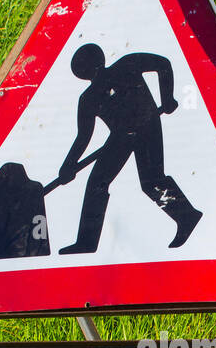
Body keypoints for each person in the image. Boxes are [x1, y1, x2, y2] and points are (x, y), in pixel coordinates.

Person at [56, 43, 202, 254]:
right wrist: (68, 166)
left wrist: (166, 98)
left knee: (152, 181)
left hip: (147, 125)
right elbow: (83, 137)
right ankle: (86, 242)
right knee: (97, 183)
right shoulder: (88, 98)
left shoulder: (127, 65)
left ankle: (186, 216)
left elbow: (163, 65)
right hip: (120, 138)